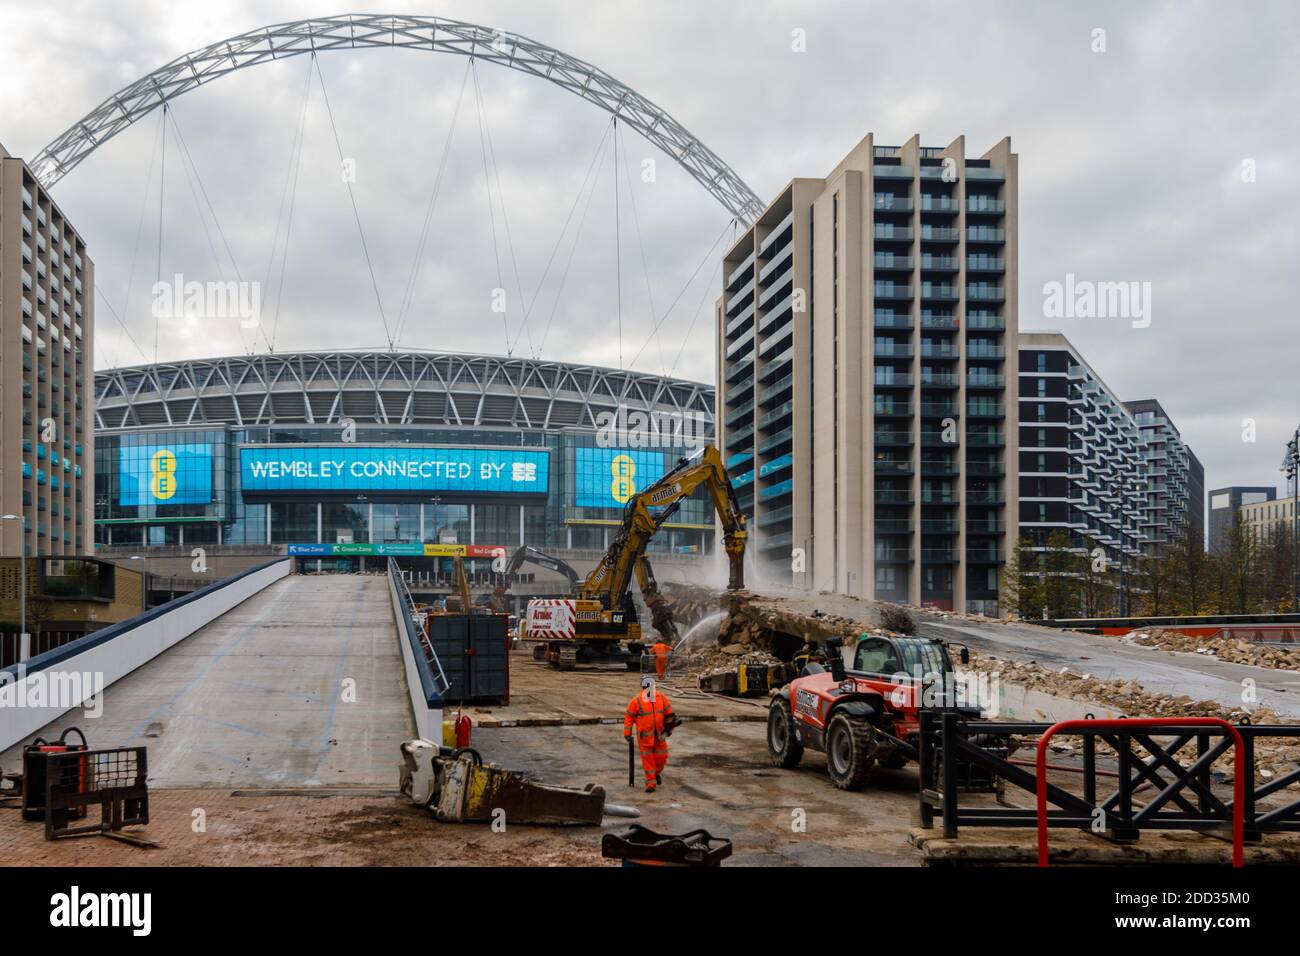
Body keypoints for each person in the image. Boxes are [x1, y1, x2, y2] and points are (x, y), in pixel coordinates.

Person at [624, 676, 676, 792]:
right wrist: (627, 733)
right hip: (644, 738)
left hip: (660, 735)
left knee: (662, 758)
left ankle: (656, 774)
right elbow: (629, 716)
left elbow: (669, 715)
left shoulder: (661, 698)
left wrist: (669, 728)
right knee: (648, 761)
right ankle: (650, 784)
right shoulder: (636, 701)